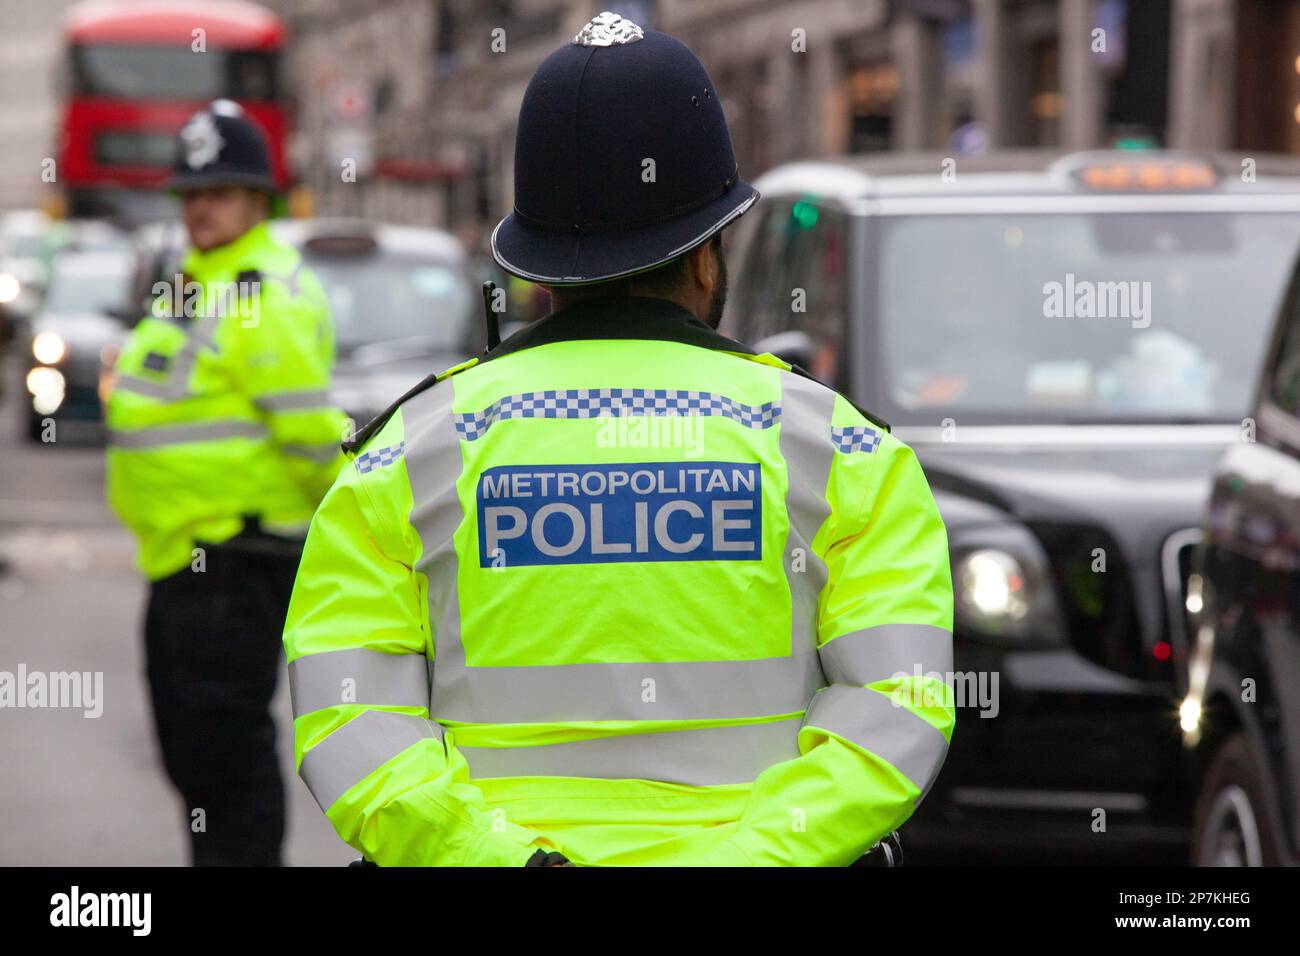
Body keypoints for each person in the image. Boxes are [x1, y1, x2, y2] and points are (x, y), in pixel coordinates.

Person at [283, 12, 954, 866]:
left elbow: (349, 715)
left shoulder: (406, 460)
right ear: (709, 252)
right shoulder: (842, 456)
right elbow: (899, 705)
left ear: (532, 261)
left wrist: (496, 857)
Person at [106, 100, 348, 865]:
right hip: (184, 556)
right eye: (190, 193)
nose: (199, 207)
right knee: (196, 757)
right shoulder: (199, 278)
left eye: (217, 192)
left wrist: (354, 534)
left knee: (226, 762)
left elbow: (310, 434)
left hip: (233, 557)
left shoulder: (262, 290)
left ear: (259, 198)